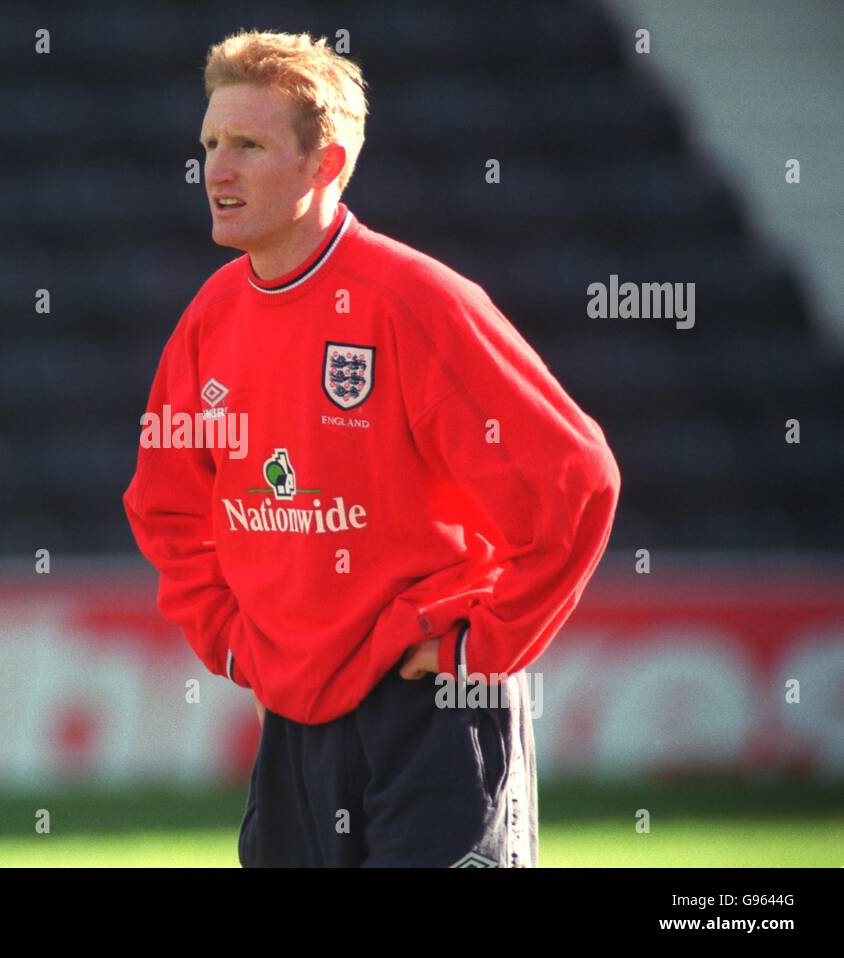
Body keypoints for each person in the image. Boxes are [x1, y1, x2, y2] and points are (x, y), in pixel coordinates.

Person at [122, 29, 620, 867]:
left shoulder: (415, 302)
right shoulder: (211, 318)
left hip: (431, 713)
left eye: (248, 144)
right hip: (293, 722)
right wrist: (232, 637)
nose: (215, 169)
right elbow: (165, 504)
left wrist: (481, 646)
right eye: (210, 143)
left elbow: (576, 481)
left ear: (326, 164)